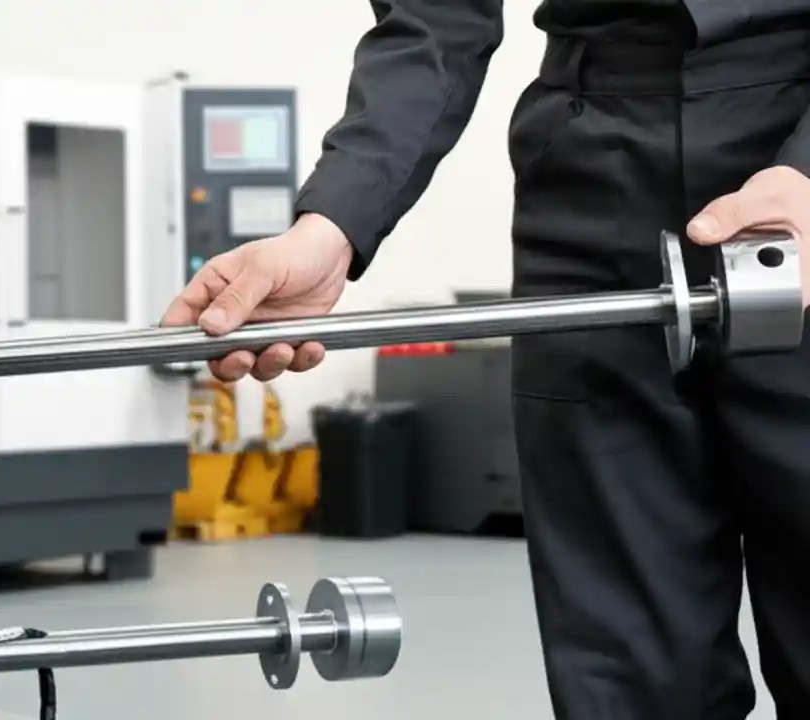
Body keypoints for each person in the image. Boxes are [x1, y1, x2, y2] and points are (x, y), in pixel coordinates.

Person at [161, 2, 810, 718]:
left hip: (795, 136)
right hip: (593, 168)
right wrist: (335, 221)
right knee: (627, 676)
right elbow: (437, 19)